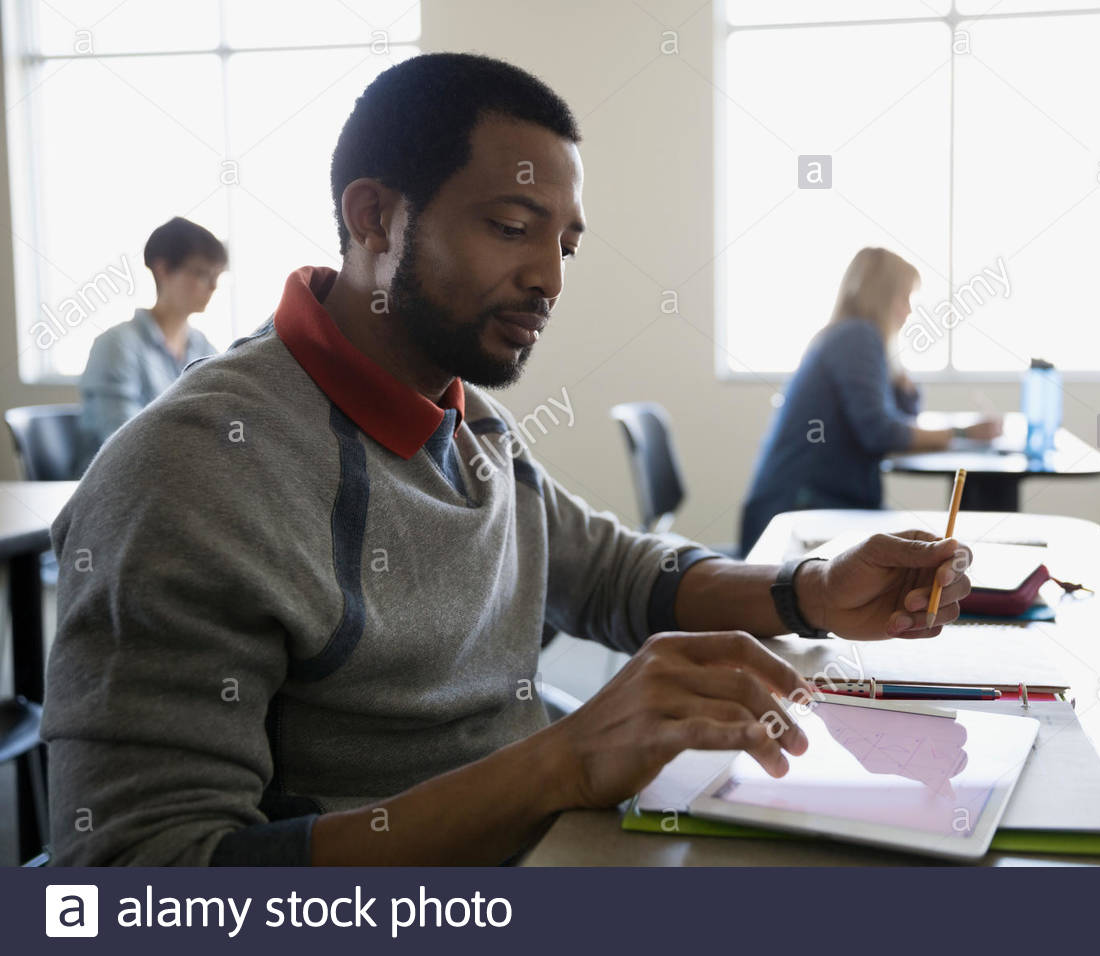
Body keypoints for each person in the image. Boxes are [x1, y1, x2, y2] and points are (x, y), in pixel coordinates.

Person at [43, 54, 974, 866]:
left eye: (565, 244)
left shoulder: (471, 422)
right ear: (374, 219)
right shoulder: (192, 473)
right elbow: (139, 884)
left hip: (552, 848)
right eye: (513, 226)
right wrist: (558, 765)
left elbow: (614, 571)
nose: (552, 278)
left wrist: (814, 590)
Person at [739, 248, 1003, 555]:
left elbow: (901, 417)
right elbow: (881, 432)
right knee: (931, 549)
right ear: (882, 298)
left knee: (929, 544)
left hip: (810, 504)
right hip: (799, 511)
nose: (908, 311)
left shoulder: (852, 338)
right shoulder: (856, 337)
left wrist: (899, 374)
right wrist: (963, 433)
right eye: (903, 298)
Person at [76, 216, 225, 474]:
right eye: (202, 273)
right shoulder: (117, 345)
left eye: (217, 276)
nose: (212, 286)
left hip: (174, 480)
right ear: (163, 270)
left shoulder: (203, 348)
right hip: (114, 484)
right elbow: (121, 442)